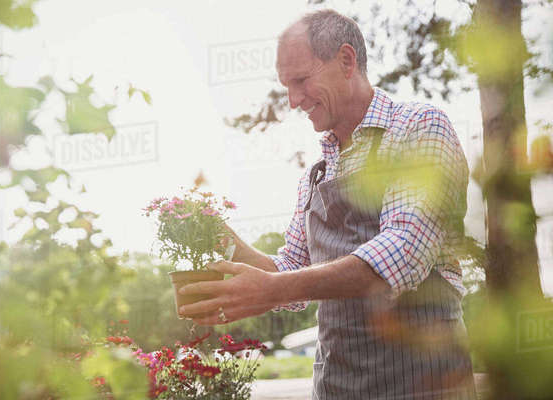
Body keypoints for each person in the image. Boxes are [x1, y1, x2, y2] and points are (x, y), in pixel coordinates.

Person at [180, 9, 477, 399]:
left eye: (301, 80)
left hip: (423, 384)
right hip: (339, 385)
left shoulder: (418, 127)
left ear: (346, 60)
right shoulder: (316, 175)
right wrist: (226, 241)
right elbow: (291, 272)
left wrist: (273, 289)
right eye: (287, 86)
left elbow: (404, 254)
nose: (293, 100)